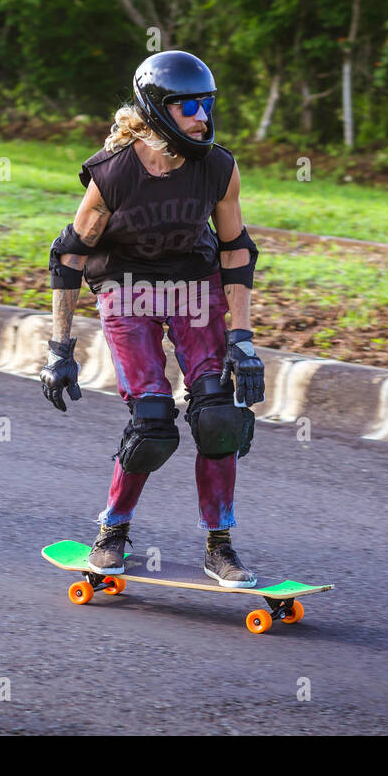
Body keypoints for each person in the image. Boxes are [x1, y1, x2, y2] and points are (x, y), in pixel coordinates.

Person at [40, 50, 265, 586]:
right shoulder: (113, 174)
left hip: (193, 284)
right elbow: (69, 255)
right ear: (158, 111)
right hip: (126, 287)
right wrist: (59, 350)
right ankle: (113, 530)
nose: (202, 117)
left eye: (207, 104)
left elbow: (235, 250)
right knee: (153, 426)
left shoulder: (218, 168)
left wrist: (244, 341)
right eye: (189, 106)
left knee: (217, 416)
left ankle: (220, 544)